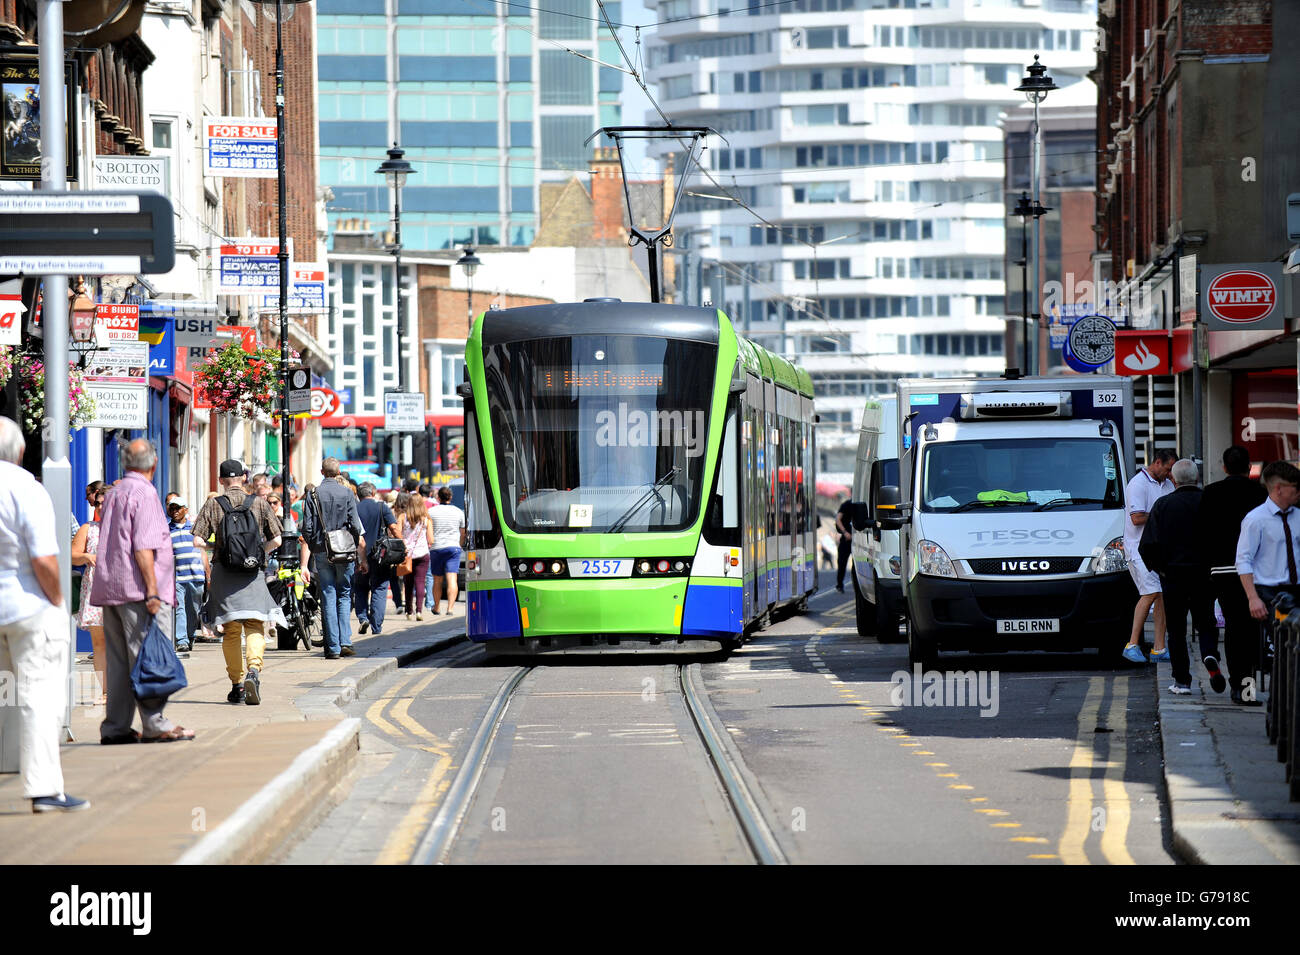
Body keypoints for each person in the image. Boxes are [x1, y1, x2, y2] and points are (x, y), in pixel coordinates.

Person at [0, 417, 90, 811]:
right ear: (20, 451)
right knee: (38, 695)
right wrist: (57, 600)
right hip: (27, 608)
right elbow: (43, 558)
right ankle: (43, 789)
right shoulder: (24, 487)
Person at [90, 439, 194, 742]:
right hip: (138, 590)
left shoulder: (115, 491)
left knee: (120, 663)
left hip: (111, 586)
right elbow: (143, 546)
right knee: (146, 658)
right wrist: (151, 591)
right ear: (154, 462)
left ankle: (116, 727)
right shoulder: (145, 493)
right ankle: (154, 723)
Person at [192, 459, 284, 705]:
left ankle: (238, 685)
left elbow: (197, 542)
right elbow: (277, 540)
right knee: (254, 625)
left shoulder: (213, 504)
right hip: (252, 574)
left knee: (231, 631)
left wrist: (217, 547)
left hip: (224, 574)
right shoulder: (260, 503)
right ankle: (254, 669)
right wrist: (259, 552)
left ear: (221, 480)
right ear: (244, 478)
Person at [1139, 459, 1219, 695]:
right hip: (1205, 574)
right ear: (1197, 478)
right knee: (1206, 622)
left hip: (1173, 575)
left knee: (1176, 630)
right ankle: (1210, 654)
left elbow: (1147, 546)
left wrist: (1161, 569)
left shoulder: (1163, 504)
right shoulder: (1210, 502)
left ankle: (1182, 681)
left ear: (1173, 479)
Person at [1199, 445, 1268, 704]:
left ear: (1224, 467)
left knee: (1233, 628)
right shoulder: (1260, 493)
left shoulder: (1211, 493)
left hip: (1222, 570)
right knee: (1250, 632)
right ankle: (1246, 689)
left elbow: (1203, 533)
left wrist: (1207, 569)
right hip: (1254, 571)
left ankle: (1236, 683)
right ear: (1249, 467)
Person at [1236, 461, 1300, 690]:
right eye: (1295, 487)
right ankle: (1273, 695)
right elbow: (1244, 560)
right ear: (1279, 488)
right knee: (1285, 642)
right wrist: (1253, 597)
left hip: (1296, 589)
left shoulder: (1298, 517)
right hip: (1271, 592)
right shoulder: (1256, 519)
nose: (1299, 492)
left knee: (1290, 645)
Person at [300, 457, 365, 659]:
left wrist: (314, 545)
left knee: (327, 594)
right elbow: (355, 524)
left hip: (322, 549)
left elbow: (307, 527)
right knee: (344, 593)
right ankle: (345, 641)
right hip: (344, 550)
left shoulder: (313, 494)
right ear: (338, 473)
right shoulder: (347, 492)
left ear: (322, 472)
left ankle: (333, 647)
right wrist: (351, 542)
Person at [1121, 448, 1177, 663]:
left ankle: (1159, 648)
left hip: (1158, 549)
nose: (1169, 473)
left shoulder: (1169, 484)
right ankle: (1132, 644)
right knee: (1151, 592)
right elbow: (1136, 518)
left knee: (1161, 594)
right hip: (1138, 548)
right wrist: (1162, 513)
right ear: (1156, 462)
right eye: (1168, 468)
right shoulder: (1138, 484)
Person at [71, 481, 108, 704]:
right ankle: (106, 692)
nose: (102, 507)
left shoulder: (127, 528)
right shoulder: (88, 528)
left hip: (122, 591)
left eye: (107, 503)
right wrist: (86, 557)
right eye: (99, 503)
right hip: (95, 589)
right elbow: (73, 555)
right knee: (100, 643)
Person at [355, 482, 398, 635]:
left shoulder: (354, 508)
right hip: (380, 555)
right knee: (379, 588)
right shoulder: (382, 507)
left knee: (360, 588)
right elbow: (393, 527)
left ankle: (362, 618)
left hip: (358, 554)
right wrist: (402, 544)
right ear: (373, 493)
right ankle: (376, 626)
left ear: (358, 495)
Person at [168, 498, 206, 654]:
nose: (175, 511)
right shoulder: (166, 530)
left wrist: (208, 574)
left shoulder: (195, 528)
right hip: (177, 576)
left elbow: (203, 552)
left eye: (178, 508)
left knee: (194, 609)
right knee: (179, 608)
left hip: (196, 575)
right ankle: (181, 640)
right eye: (172, 508)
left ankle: (190, 635)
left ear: (186, 509)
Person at [429, 485, 465, 615]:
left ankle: (437, 607)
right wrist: (459, 544)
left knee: (437, 580)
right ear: (450, 497)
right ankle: (450, 608)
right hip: (453, 548)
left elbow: (428, 530)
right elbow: (463, 532)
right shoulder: (458, 512)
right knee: (452, 578)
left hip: (436, 548)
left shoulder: (431, 512)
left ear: (438, 498)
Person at [397, 490, 434, 620]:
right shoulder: (426, 519)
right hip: (423, 553)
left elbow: (397, 534)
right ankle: (419, 611)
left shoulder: (402, 517)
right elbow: (431, 540)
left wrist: (405, 544)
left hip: (407, 555)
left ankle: (409, 611)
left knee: (408, 583)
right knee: (420, 582)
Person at [834, 496, 853, 592]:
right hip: (846, 539)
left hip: (859, 540)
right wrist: (845, 532)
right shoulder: (847, 504)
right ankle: (839, 584)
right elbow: (838, 519)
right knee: (842, 563)